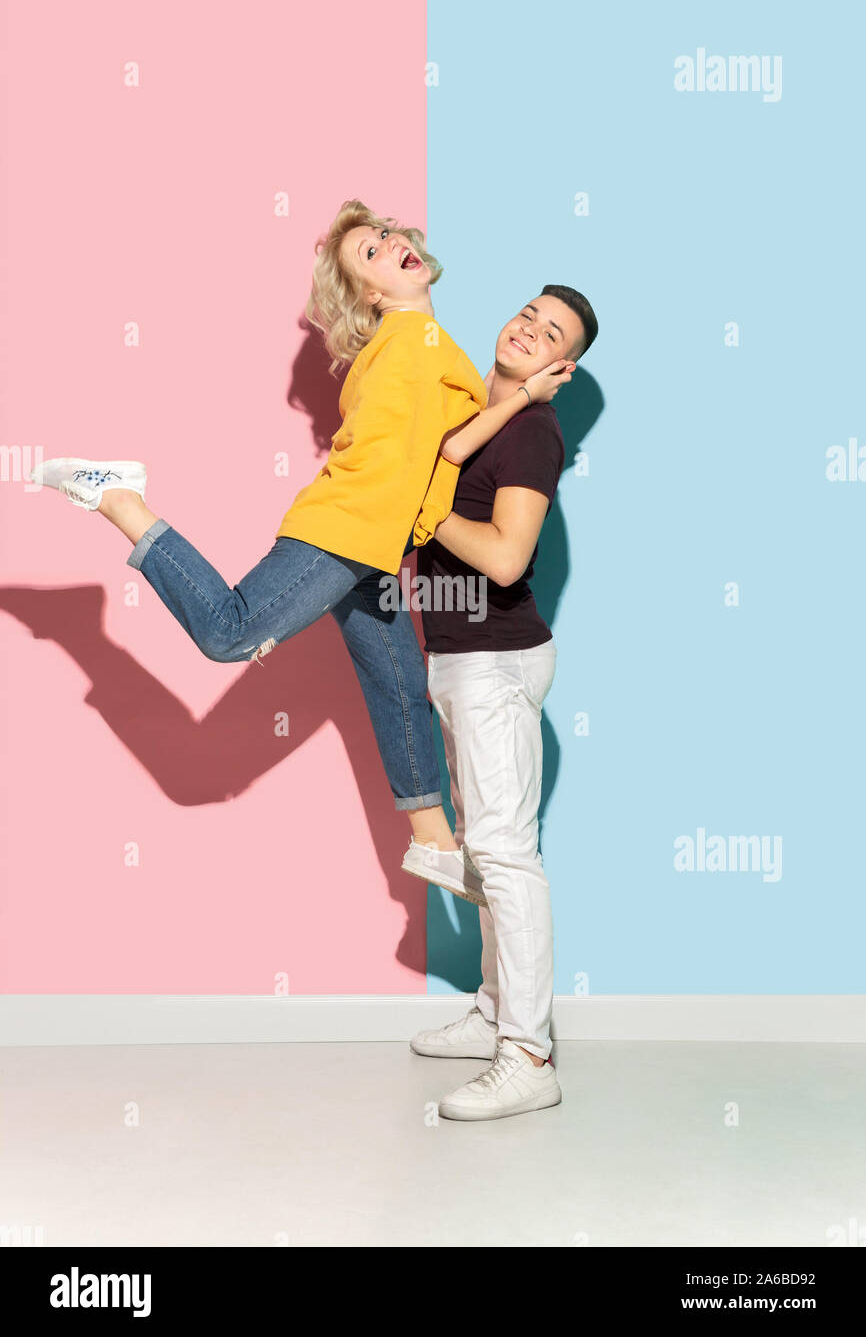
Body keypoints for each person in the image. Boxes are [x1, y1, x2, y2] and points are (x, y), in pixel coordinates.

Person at [27, 200, 571, 857]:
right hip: (345, 533)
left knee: (397, 680)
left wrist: (503, 405)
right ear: (371, 293)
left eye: (388, 234)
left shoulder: (414, 349)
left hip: (373, 545)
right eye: (370, 253)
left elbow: (436, 448)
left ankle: (432, 839)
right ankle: (121, 503)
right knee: (231, 633)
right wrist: (523, 398)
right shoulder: (415, 343)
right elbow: (448, 453)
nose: (390, 242)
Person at [407, 285, 599, 1122]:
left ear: (563, 366)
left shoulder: (530, 434)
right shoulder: (481, 410)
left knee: (505, 853)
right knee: (487, 852)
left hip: (495, 662)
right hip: (460, 659)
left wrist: (431, 512)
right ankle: (495, 1014)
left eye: (551, 333)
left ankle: (529, 1056)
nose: (528, 327)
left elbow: (509, 557)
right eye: (528, 311)